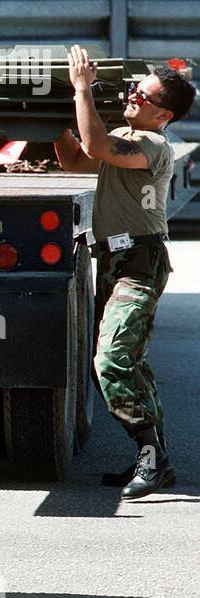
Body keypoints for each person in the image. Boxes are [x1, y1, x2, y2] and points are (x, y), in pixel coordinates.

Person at [54, 47, 195, 499]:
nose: (133, 96)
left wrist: (81, 89)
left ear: (164, 114)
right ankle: (159, 461)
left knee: (112, 361)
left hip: (139, 263)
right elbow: (76, 161)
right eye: (135, 90)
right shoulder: (124, 134)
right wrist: (54, 121)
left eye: (144, 96)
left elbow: (94, 146)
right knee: (121, 362)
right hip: (116, 261)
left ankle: (149, 457)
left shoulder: (152, 144)